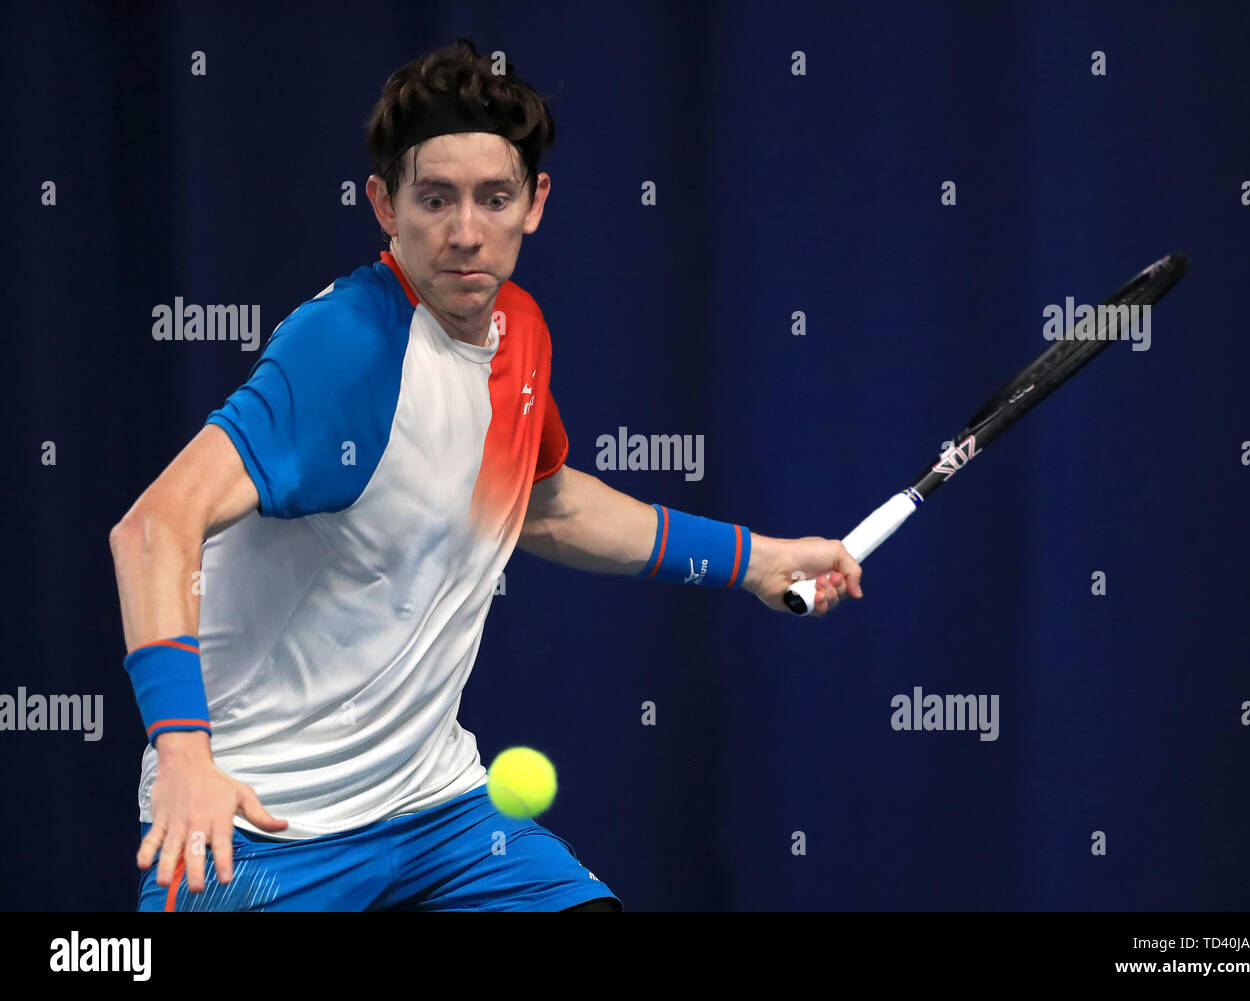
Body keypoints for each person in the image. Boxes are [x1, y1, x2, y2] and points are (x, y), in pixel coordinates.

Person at [109, 38, 863, 912]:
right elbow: (154, 527)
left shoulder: (520, 331)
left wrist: (755, 559)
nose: (465, 232)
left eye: (493, 198)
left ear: (534, 203)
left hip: (438, 809)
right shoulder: (344, 348)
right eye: (435, 199)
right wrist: (183, 753)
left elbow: (545, 506)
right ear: (384, 206)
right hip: (260, 819)